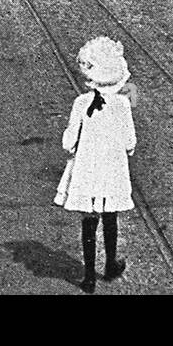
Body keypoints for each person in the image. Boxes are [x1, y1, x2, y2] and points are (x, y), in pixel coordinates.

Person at [54, 37, 136, 293]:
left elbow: (69, 142)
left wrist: (76, 146)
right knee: (111, 217)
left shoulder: (80, 103)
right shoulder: (122, 104)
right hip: (111, 170)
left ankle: (88, 276)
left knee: (88, 222)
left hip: (87, 171)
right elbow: (129, 141)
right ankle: (110, 263)